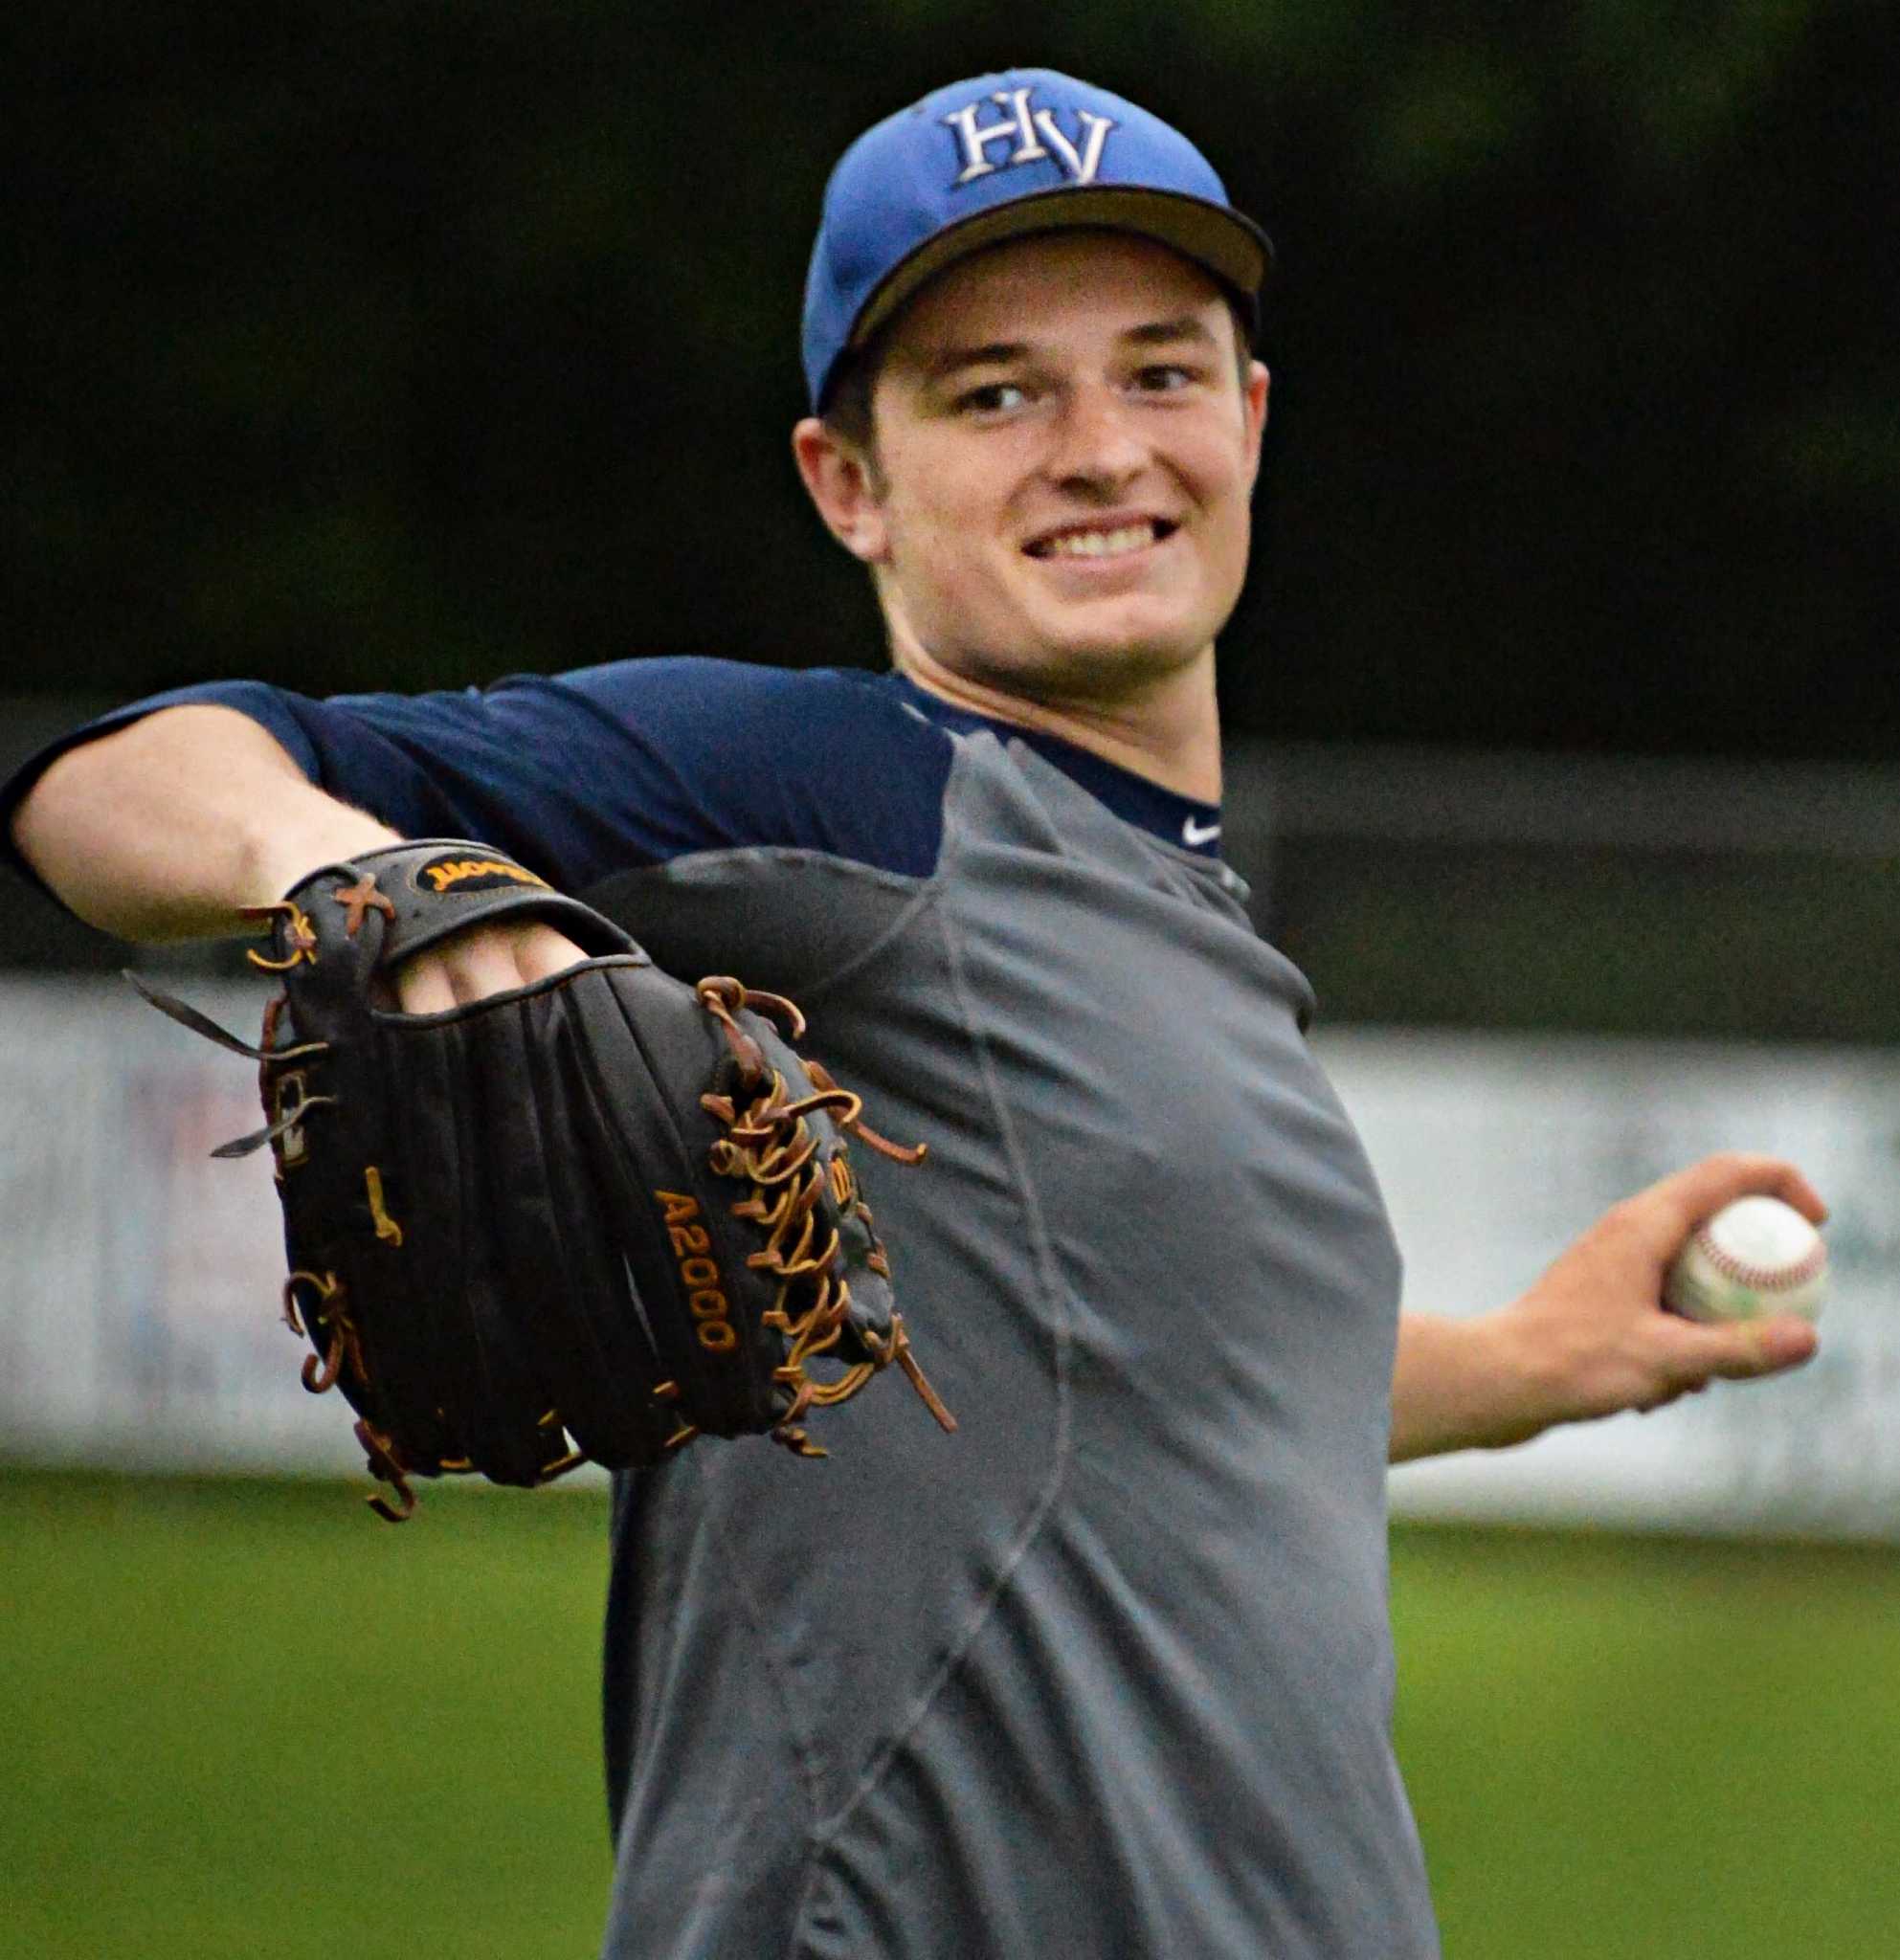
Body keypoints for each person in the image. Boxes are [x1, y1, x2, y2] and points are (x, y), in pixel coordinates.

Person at [4, 68, 1822, 1960]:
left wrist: (1532, 1359)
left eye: (1161, 370)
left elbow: (1139, 1386)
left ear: (1253, 421)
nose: (1104, 446)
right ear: (848, 485)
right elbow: (106, 785)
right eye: (996, 391)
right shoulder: (851, 790)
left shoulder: (1170, 901)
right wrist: (353, 868)